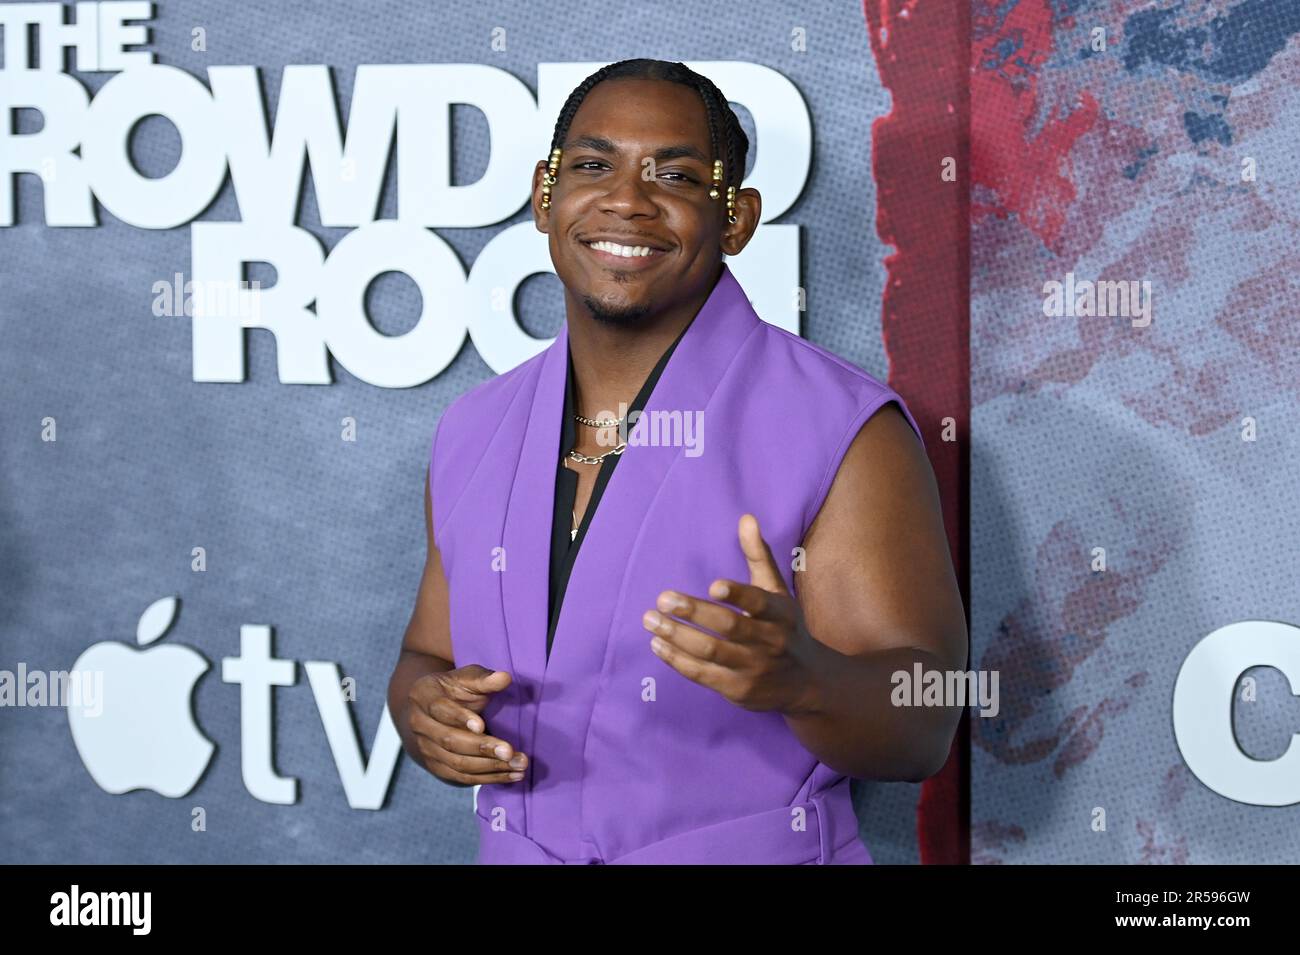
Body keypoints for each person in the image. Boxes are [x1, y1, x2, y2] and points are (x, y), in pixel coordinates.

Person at [387, 59, 967, 864]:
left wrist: (807, 679)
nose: (626, 198)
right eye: (592, 166)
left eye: (677, 175)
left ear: (736, 219)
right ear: (543, 197)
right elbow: (427, 654)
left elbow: (927, 722)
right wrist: (424, 712)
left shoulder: (841, 426)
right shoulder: (473, 428)